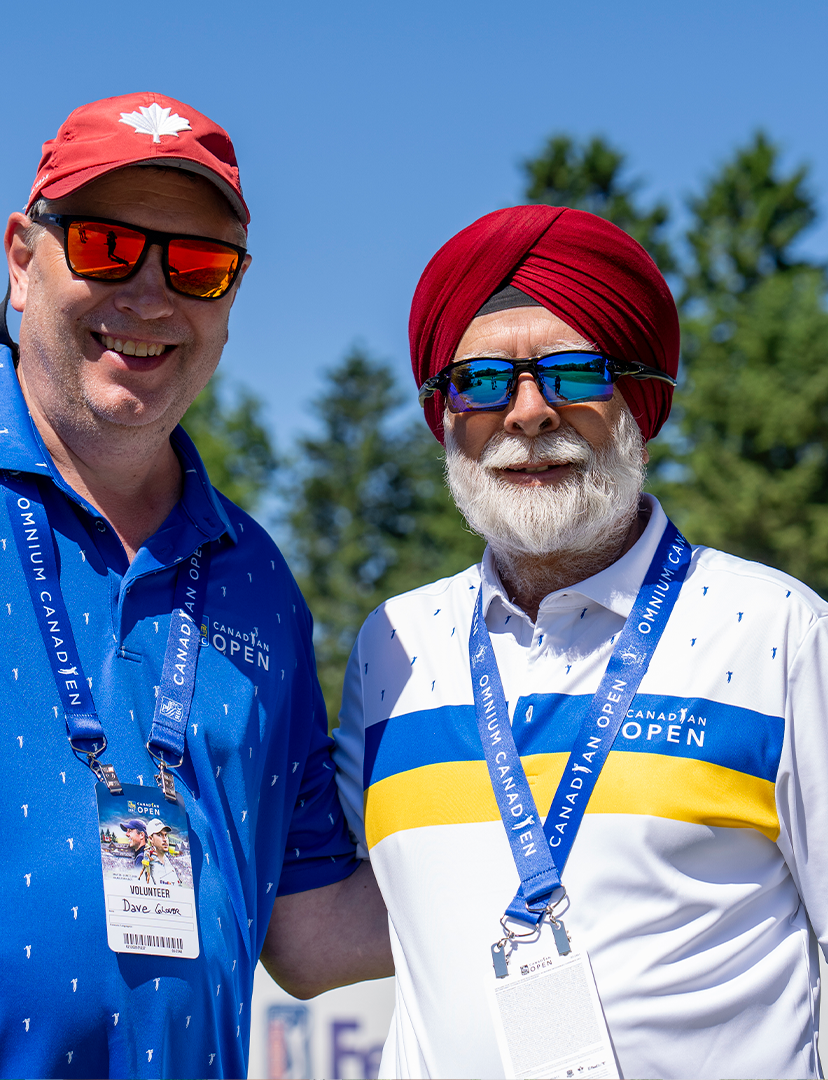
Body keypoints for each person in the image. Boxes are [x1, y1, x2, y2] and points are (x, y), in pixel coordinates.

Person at [0, 92, 387, 1080]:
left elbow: (307, 931)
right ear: (19, 256)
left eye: (200, 265)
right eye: (103, 244)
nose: (149, 292)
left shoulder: (258, 579)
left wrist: (596, 852)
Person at [331, 205, 828, 1079]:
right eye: (483, 380)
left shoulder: (778, 632)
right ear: (444, 416)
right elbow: (333, 925)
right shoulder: (392, 648)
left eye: (573, 372)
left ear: (638, 399)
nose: (527, 412)